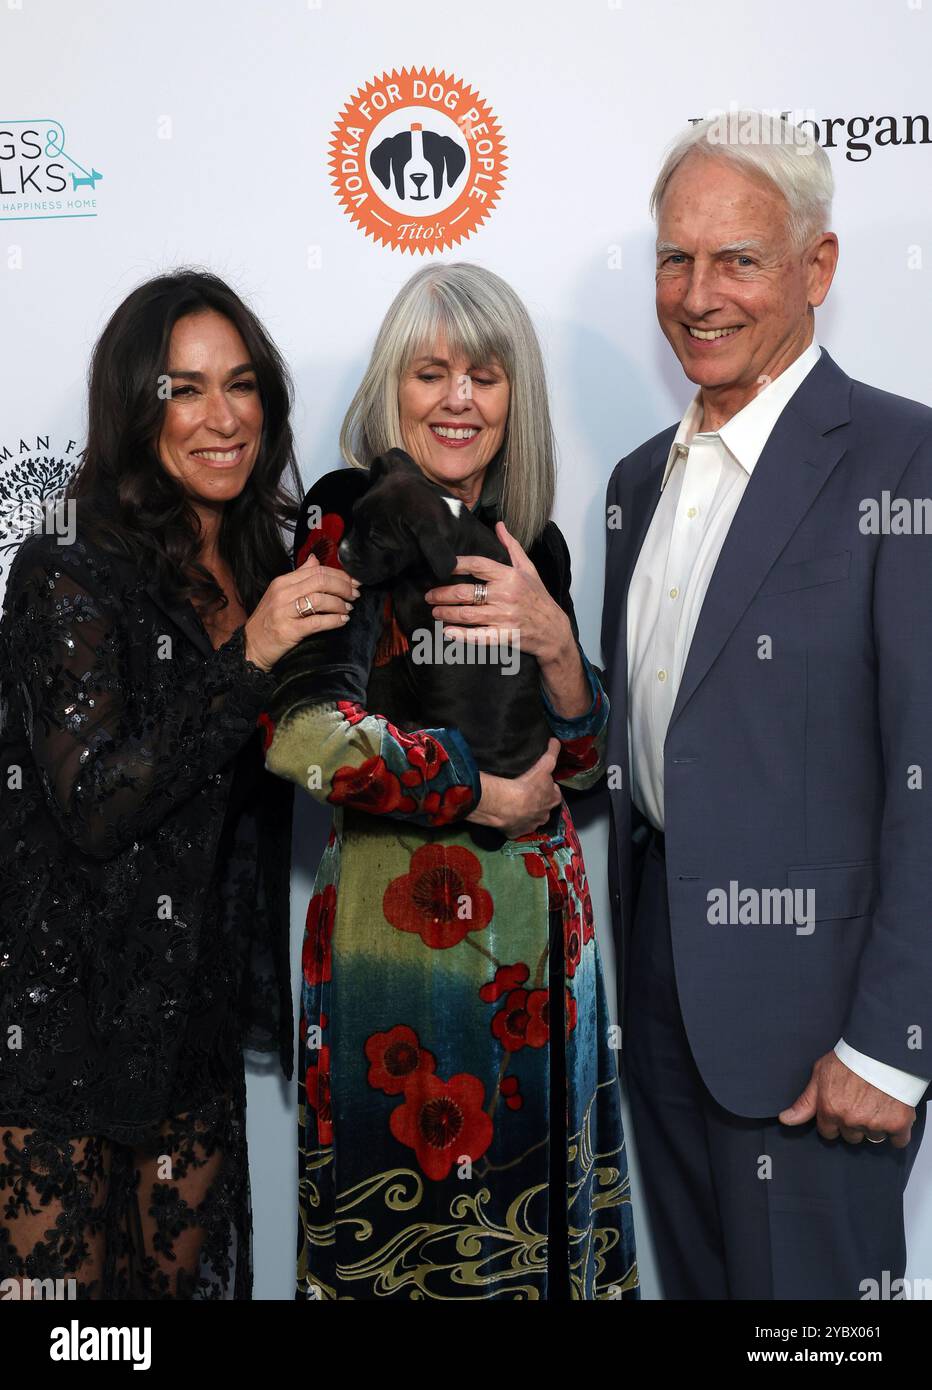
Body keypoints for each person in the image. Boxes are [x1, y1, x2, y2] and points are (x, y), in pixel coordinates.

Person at [603, 111, 932, 1299]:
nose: (699, 293)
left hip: (814, 1034)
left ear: (816, 267)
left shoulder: (903, 461)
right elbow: (667, 732)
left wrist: (893, 1046)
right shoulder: (636, 480)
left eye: (737, 258)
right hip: (659, 1002)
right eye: (674, 259)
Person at [263, 261, 638, 1300]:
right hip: (401, 959)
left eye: (485, 374)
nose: (459, 399)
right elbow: (302, 734)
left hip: (541, 964)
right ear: (393, 388)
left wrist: (557, 645)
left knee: (529, 1241)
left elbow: (591, 761)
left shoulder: (534, 543)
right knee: (402, 1246)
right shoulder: (346, 521)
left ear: (517, 397)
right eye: (431, 372)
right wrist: (474, 789)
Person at [0, 269, 356, 1298]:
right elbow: (98, 804)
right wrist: (250, 658)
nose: (220, 416)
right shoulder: (65, 569)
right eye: (184, 389)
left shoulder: (270, 570)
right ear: (133, 406)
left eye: (240, 385)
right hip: (58, 1029)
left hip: (186, 1025)